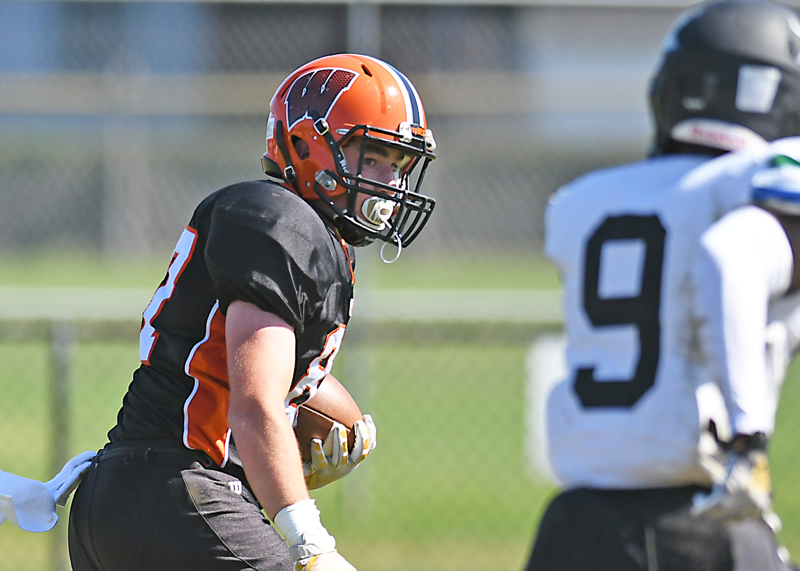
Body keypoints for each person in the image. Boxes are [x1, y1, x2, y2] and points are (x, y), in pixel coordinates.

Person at [66, 54, 437, 571]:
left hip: (132, 493)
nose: (390, 184)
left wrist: (303, 438)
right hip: (180, 492)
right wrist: (309, 541)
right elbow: (254, 403)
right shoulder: (282, 220)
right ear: (308, 144)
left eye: (397, 166)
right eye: (372, 156)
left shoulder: (300, 231)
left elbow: (246, 377)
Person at [526, 1, 800, 569]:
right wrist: (746, 437)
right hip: (704, 519)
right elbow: (731, 258)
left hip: (575, 526)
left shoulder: (584, 199)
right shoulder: (757, 179)